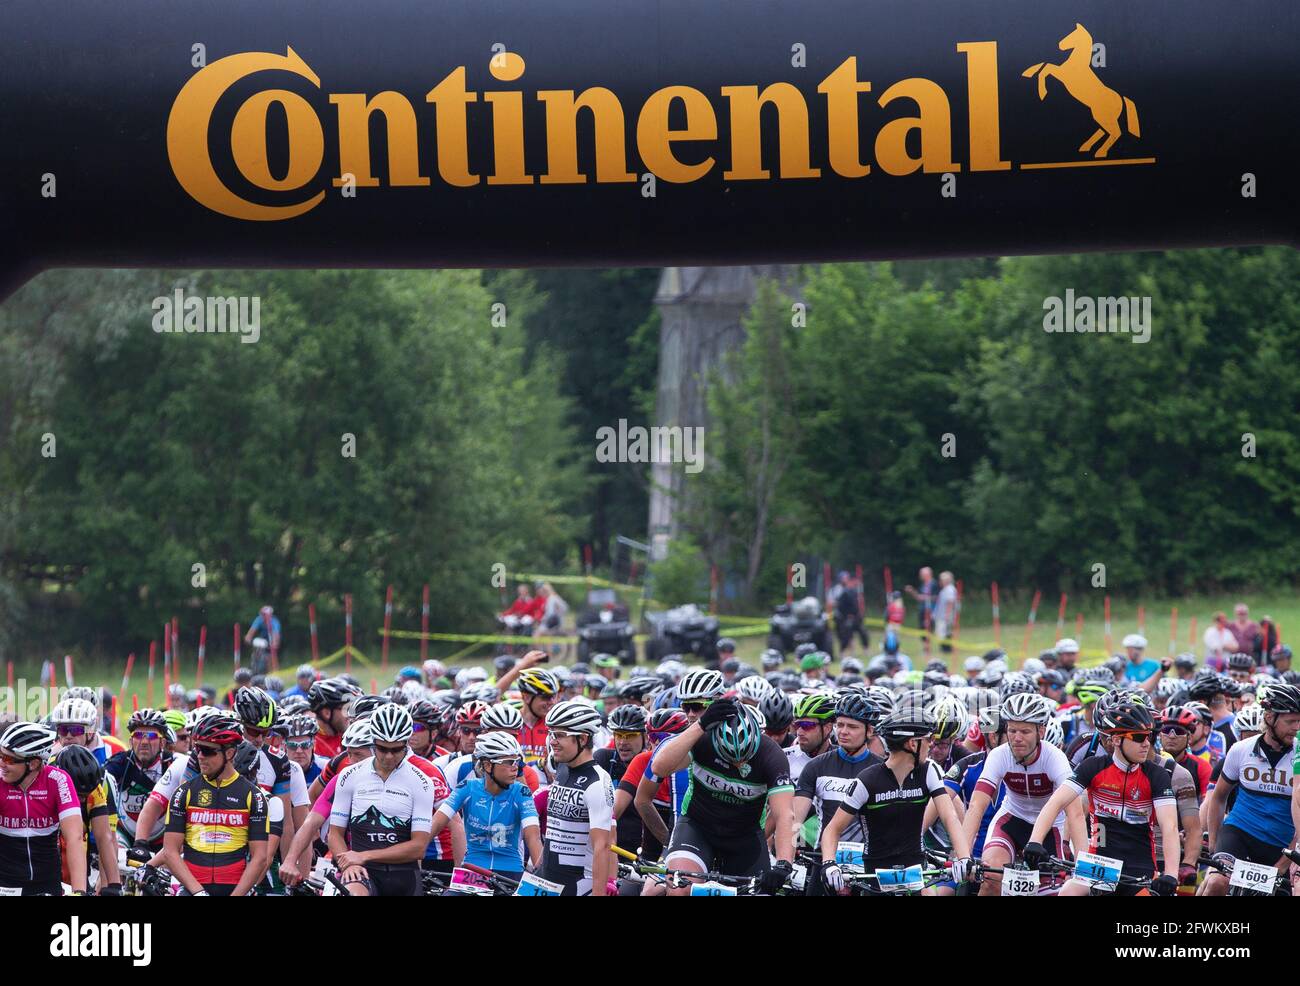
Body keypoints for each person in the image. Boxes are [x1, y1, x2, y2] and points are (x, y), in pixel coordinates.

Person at [1024, 697, 1180, 896]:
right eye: (1139, 737)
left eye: (1149, 737)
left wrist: (1171, 874)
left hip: (1140, 869)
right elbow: (1055, 802)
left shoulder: (1156, 775)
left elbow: (1170, 827)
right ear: (1116, 739)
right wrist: (1035, 841)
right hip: (1101, 863)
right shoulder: (1093, 767)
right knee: (1068, 892)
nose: (1146, 744)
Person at [819, 707, 972, 895]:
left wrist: (964, 857)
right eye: (928, 739)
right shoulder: (867, 780)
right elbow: (833, 829)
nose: (931, 745)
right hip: (875, 877)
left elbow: (950, 818)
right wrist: (829, 863)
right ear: (912, 744)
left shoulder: (928, 771)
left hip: (916, 872)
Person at [652, 698, 794, 896]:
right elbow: (658, 768)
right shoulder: (703, 739)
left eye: (744, 757)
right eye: (729, 757)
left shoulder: (772, 756)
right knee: (679, 889)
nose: (737, 763)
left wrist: (784, 864)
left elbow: (785, 815)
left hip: (744, 838)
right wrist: (700, 725)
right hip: (697, 828)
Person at [962, 693, 1086, 896]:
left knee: (1054, 890)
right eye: (1012, 730)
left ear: (1041, 731)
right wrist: (964, 856)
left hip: (1051, 828)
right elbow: (976, 805)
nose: (1017, 738)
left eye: (1025, 731)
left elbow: (1076, 814)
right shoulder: (999, 755)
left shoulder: (1054, 758)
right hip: (1012, 819)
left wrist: (1084, 865)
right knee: (991, 876)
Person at [1199, 682, 1300, 896]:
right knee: (1217, 883)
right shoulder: (1241, 750)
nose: (1297, 727)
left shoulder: (1298, 757)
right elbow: (1218, 798)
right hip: (1240, 833)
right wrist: (1215, 843)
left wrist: (1285, 862)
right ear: (1270, 717)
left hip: (1281, 842)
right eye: (1291, 721)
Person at [327, 704, 435, 896]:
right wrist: (347, 865)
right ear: (373, 742)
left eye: (396, 749)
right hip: (362, 873)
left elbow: (418, 848)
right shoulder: (349, 775)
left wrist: (363, 856)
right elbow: (334, 833)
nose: (389, 756)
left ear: (406, 744)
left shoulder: (422, 782)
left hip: (403, 876)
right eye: (382, 748)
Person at [162, 713, 269, 896]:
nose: (200, 756)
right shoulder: (183, 793)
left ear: (229, 753)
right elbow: (170, 851)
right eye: (198, 748)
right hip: (193, 889)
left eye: (208, 750)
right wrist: (197, 892)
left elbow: (260, 857)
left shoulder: (253, 796)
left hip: (236, 889)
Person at [791, 693, 882, 892]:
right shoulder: (816, 766)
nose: (843, 732)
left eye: (852, 727)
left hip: (866, 861)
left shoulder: (881, 769)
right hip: (824, 859)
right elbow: (794, 819)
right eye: (840, 725)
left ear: (869, 731)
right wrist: (787, 859)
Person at [431, 731, 541, 887]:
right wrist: (413, 852)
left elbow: (533, 837)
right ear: (488, 765)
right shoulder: (467, 788)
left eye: (518, 762)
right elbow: (436, 823)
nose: (515, 768)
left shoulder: (521, 792)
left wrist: (541, 873)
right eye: (509, 762)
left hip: (510, 870)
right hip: (472, 868)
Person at [538, 700, 616, 896]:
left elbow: (603, 846)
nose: (552, 741)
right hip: (546, 879)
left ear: (582, 738)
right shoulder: (563, 768)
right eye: (551, 734)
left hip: (578, 885)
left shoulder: (598, 782)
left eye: (560, 735)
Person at [104, 708, 174, 855]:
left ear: (162, 742)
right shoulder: (120, 762)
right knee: (114, 856)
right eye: (138, 735)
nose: (144, 741)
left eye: (151, 736)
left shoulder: (172, 763)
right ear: (130, 741)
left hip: (162, 836)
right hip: (125, 833)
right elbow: (99, 783)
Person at [54, 745, 122, 895]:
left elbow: (105, 837)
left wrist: (114, 885)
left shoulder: (96, 791)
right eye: (78, 794)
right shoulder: (49, 780)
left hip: (76, 863)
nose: (80, 800)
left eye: (84, 796)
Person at [787, 692, 836, 784]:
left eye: (806, 725)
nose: (799, 732)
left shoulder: (844, 760)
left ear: (827, 728)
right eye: (797, 725)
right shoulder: (784, 758)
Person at [832, 571, 869, 657]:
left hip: (854, 616)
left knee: (863, 631)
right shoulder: (838, 590)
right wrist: (846, 615)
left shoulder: (854, 591)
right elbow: (838, 605)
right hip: (843, 617)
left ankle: (864, 650)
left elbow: (856, 605)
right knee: (846, 634)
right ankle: (843, 652)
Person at [933, 571, 959, 655]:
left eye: (942, 580)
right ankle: (946, 648)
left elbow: (950, 602)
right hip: (941, 615)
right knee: (943, 632)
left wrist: (947, 615)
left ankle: (946, 649)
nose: (940, 582)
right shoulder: (945, 589)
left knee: (943, 632)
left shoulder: (949, 589)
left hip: (945, 615)